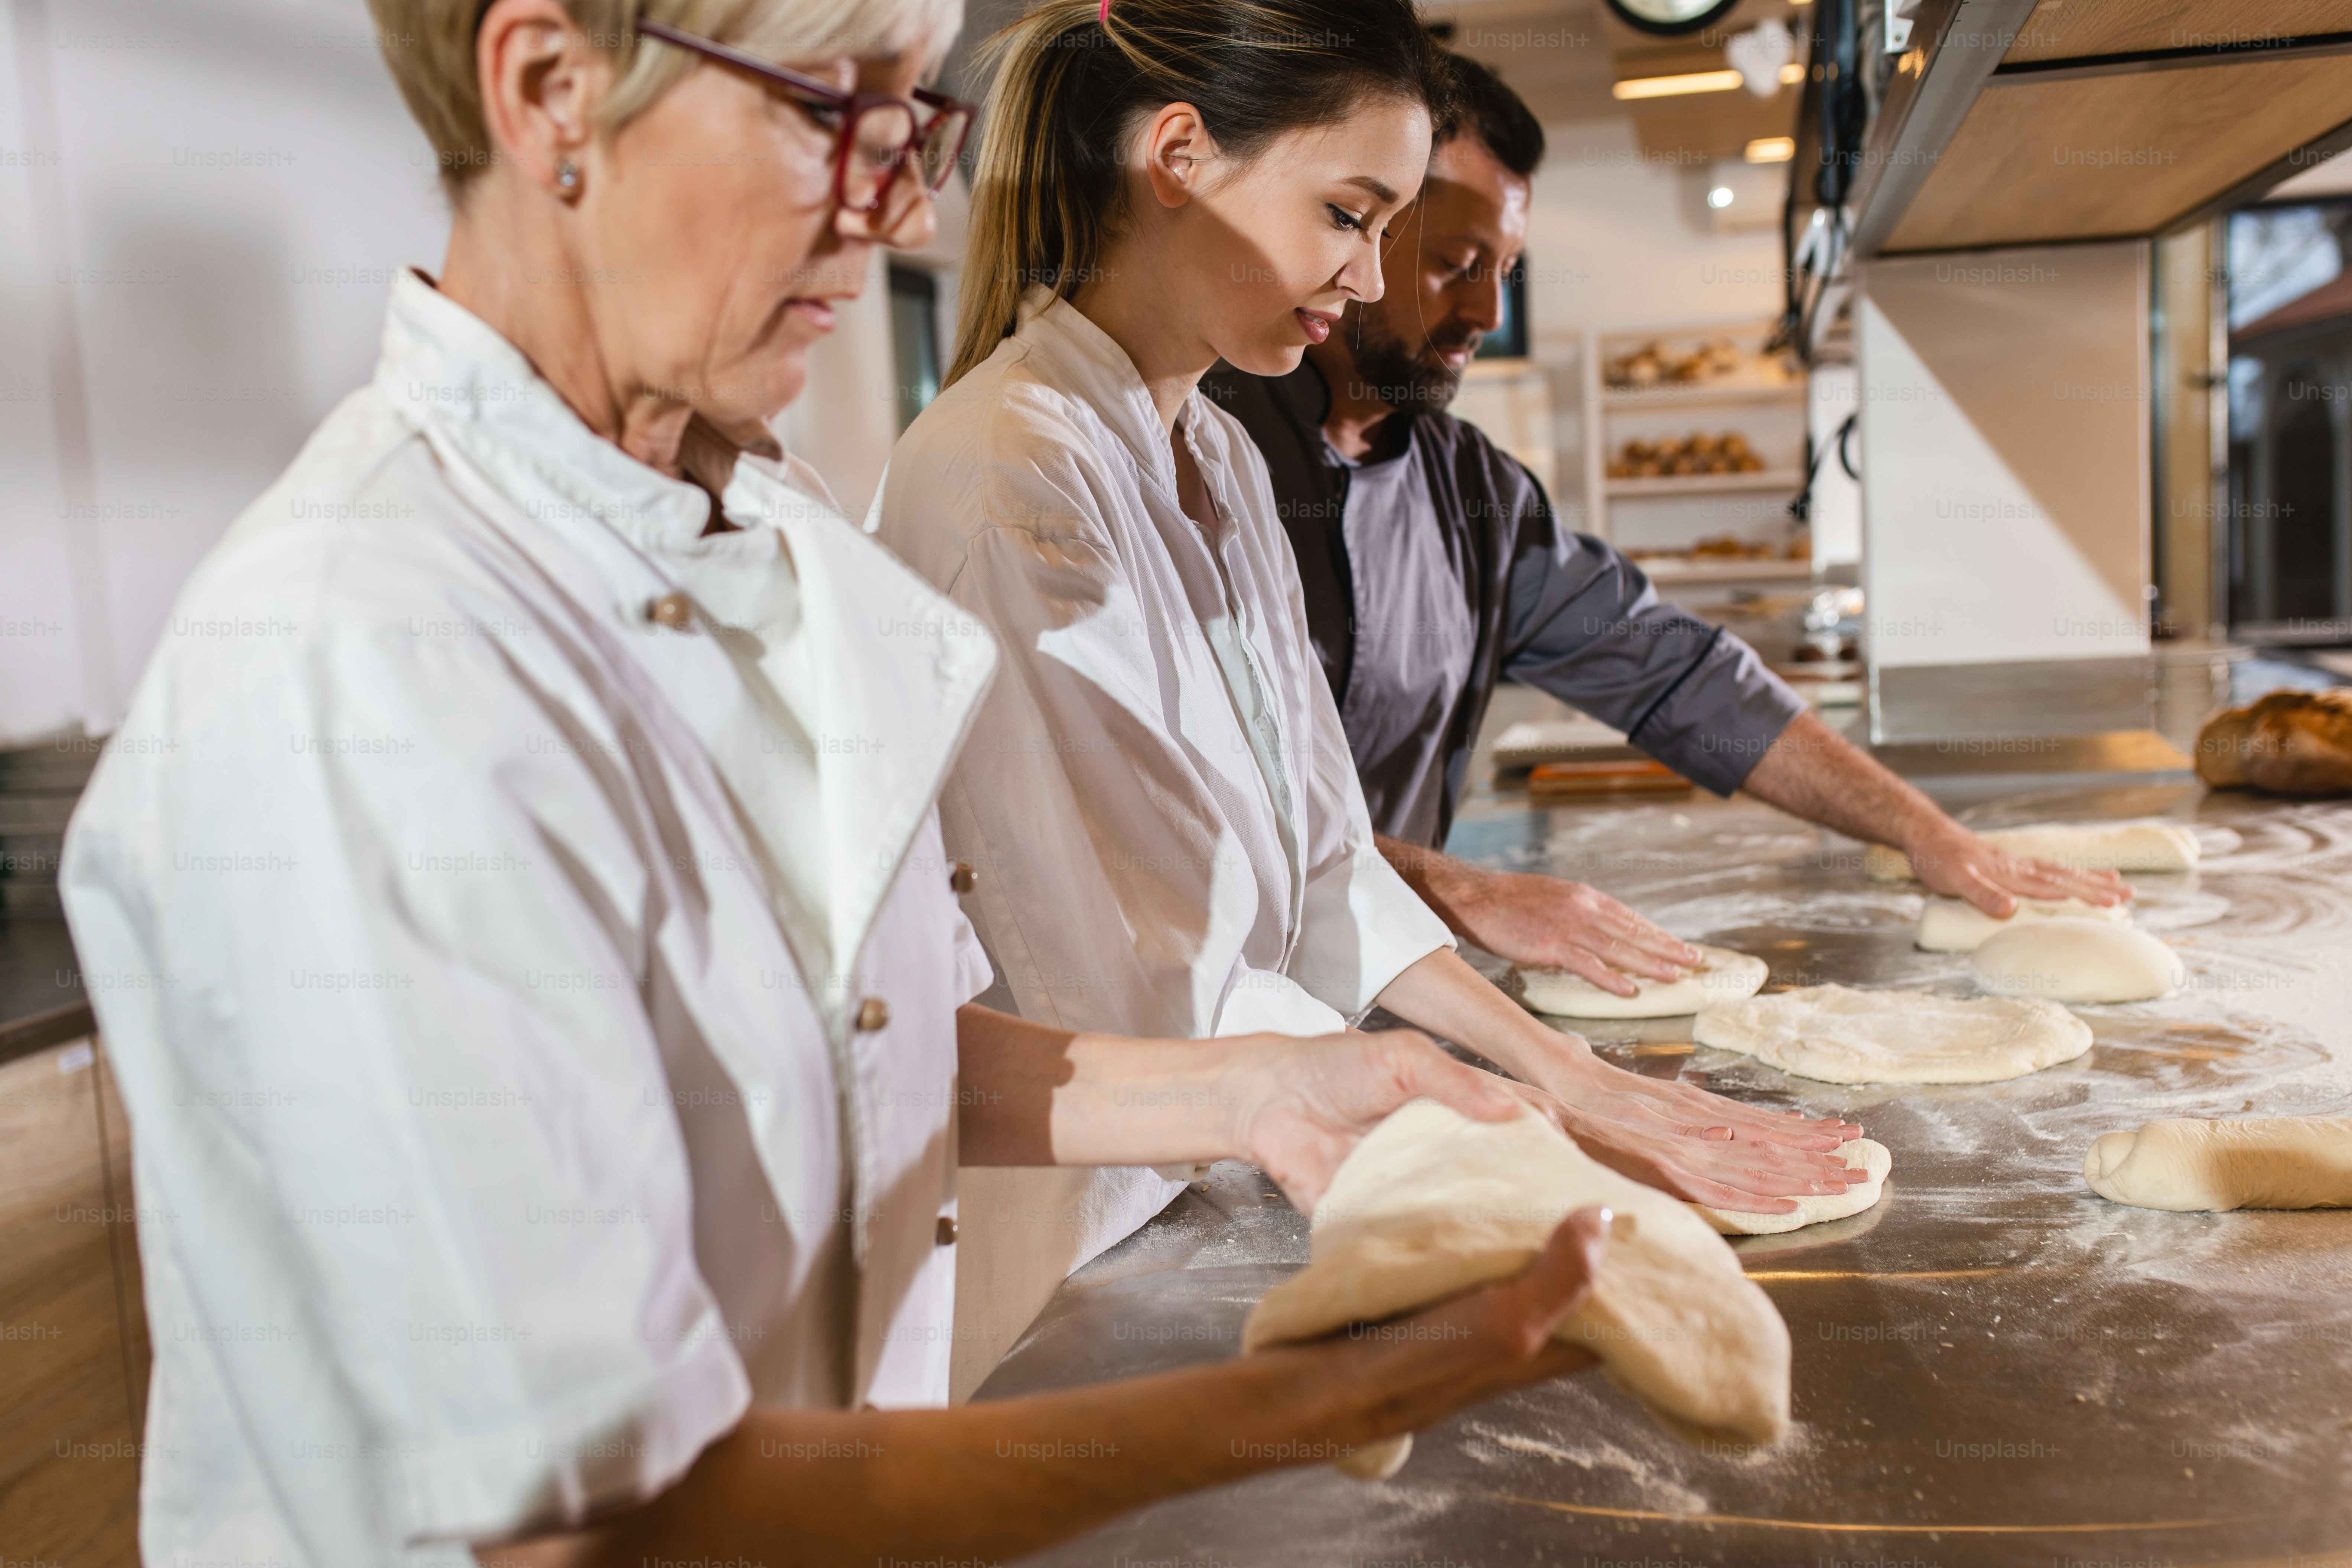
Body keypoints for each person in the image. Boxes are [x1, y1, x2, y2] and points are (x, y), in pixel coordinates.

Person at [57, 1, 1628, 1561]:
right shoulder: (365, 662)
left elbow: (862, 1055)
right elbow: (598, 1517)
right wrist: (1286, 1416)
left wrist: (1255, 1086)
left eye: (908, 122)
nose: (903, 206)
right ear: (547, 92)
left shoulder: (765, 524)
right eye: (830, 112)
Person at [876, 0, 1864, 1389]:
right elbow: (1141, 973)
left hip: (1232, 1177)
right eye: (1349, 212)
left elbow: (1327, 863)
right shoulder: (1007, 477)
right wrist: (1499, 1120)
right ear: (1178, 158)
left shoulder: (1212, 451)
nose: (1366, 271)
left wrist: (1566, 1075)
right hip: (1097, 1246)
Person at [1205, 52, 2131, 1000]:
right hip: (1193, 1010)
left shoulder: (1472, 492)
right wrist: (1459, 888)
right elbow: (1195, 795)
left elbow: (1678, 674)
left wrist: (1920, 829)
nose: (1485, 310)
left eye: (1506, 272)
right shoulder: (1191, 450)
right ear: (1368, 226)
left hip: (1373, 998)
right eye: (1457, 263)